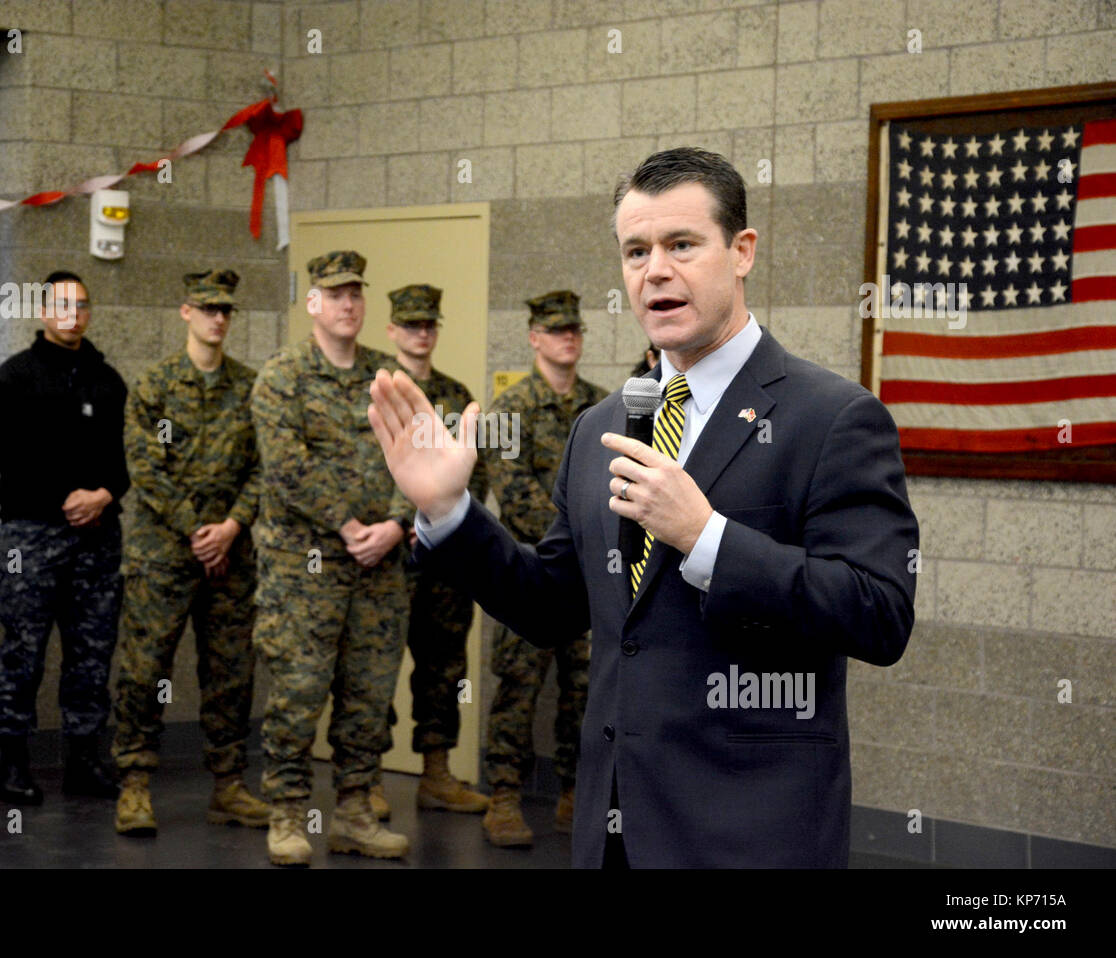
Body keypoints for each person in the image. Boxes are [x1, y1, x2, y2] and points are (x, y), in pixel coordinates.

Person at [368, 146, 919, 868]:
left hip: (752, 830)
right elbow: (552, 604)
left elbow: (879, 614)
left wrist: (709, 538)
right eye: (635, 251)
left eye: (682, 244)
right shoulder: (600, 426)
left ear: (742, 251)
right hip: (614, 826)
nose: (654, 270)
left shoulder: (834, 417)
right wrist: (450, 513)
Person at [250, 250, 414, 866]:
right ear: (313, 303)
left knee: (369, 698)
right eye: (335, 294)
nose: (348, 305)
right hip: (305, 569)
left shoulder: (388, 375)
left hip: (380, 568)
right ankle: (288, 815)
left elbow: (416, 450)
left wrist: (396, 525)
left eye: (356, 294)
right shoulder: (283, 375)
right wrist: (350, 527)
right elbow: (287, 468)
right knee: (298, 695)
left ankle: (353, 814)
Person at [111, 269, 268, 837]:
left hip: (230, 557)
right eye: (207, 308)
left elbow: (262, 468)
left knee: (230, 672)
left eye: (225, 309)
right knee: (145, 668)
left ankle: (228, 785)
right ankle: (133, 784)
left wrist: (230, 527)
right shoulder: (155, 386)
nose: (218, 318)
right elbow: (144, 470)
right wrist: (198, 531)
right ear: (185, 312)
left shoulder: (251, 388)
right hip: (164, 556)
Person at [0, 271, 129, 805]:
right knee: (23, 653)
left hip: (97, 539)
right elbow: (9, 460)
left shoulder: (108, 381)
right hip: (32, 536)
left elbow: (124, 462)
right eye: (62, 304)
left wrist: (103, 496)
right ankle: (13, 764)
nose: (73, 313)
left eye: (82, 304)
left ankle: (84, 762)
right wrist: (69, 500)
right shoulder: (13, 379)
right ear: (44, 311)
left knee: (91, 656)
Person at [478, 291, 606, 848]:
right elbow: (514, 492)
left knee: (586, 692)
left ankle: (576, 795)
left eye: (573, 329)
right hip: (531, 570)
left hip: (591, 580)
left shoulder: (604, 407)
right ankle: (503, 796)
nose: (567, 338)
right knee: (518, 690)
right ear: (534, 338)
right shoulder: (509, 411)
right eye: (555, 331)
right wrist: (580, 526)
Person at [371, 283, 490, 818]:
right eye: (411, 324)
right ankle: (365, 776)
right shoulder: (373, 389)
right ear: (392, 329)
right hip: (383, 558)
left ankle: (436, 773)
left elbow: (474, 468)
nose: (422, 333)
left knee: (443, 668)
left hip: (440, 557)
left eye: (429, 324)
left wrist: (437, 518)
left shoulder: (456, 393)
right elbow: (358, 470)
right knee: (373, 667)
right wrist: (400, 521)